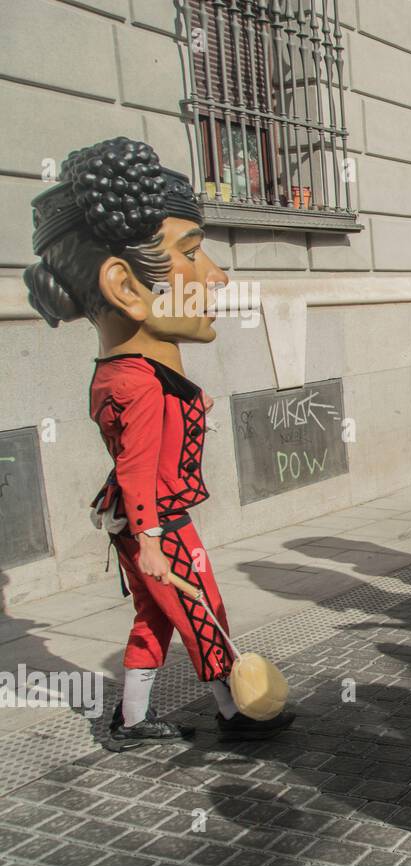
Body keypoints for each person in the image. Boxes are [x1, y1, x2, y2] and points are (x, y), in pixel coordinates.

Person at [23, 138, 295, 746]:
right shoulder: (141, 383)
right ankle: (235, 710)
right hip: (158, 523)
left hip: (143, 520)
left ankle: (131, 719)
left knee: (157, 616)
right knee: (205, 614)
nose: (217, 278)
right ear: (123, 286)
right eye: (192, 254)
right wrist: (149, 540)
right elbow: (137, 465)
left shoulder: (122, 372)